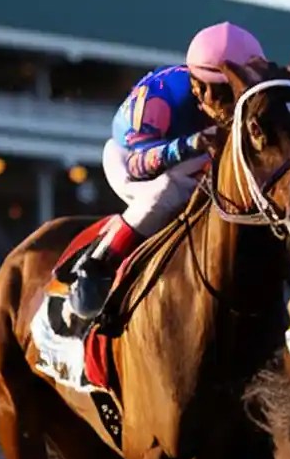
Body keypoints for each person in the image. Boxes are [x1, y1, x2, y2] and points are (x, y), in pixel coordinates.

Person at [69, 22, 266, 320]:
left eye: (245, 87)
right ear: (199, 86)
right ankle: (97, 267)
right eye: (228, 91)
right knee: (167, 190)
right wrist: (191, 144)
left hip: (194, 158)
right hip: (131, 158)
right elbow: (138, 166)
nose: (238, 100)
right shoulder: (161, 96)